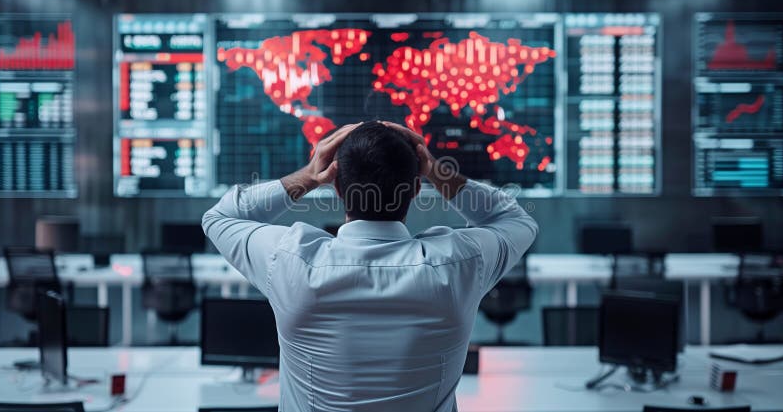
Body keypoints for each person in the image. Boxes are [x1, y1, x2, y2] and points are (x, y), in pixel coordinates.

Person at [202, 120, 538, 412]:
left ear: (337, 187)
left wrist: (308, 176)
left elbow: (221, 216)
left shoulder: (291, 260)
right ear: (415, 189)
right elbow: (516, 220)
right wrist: (438, 173)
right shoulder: (458, 263)